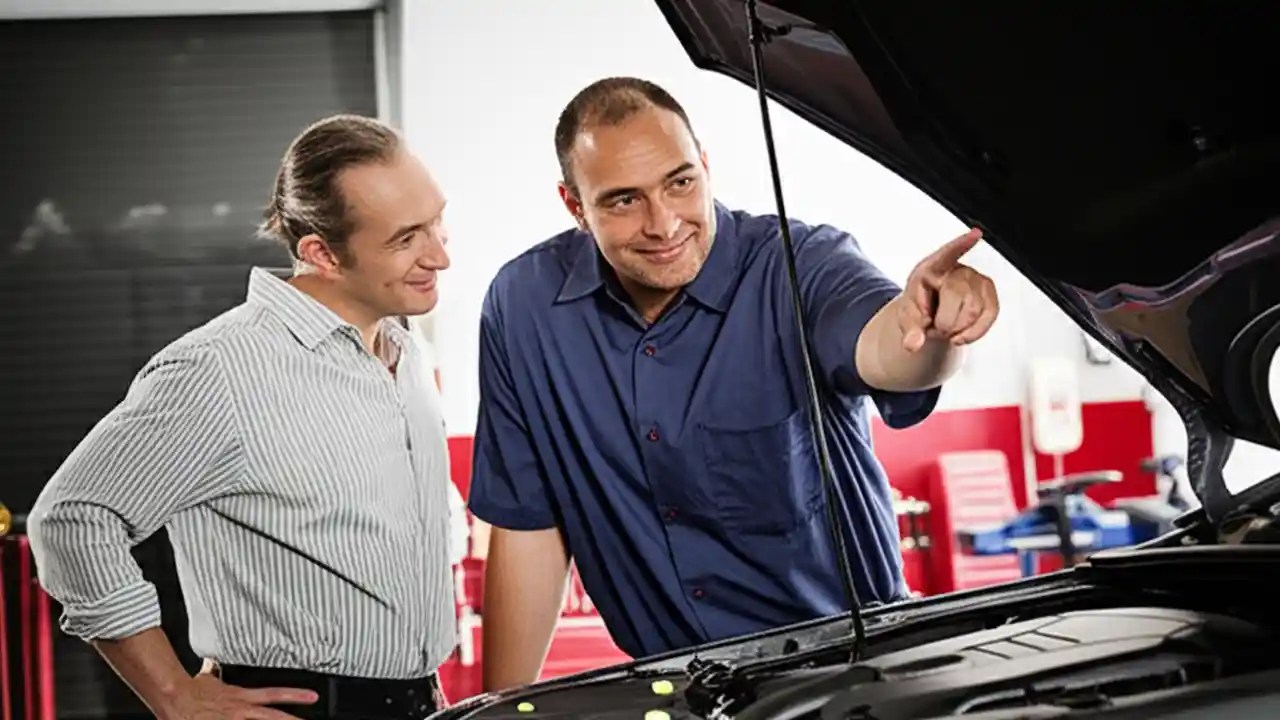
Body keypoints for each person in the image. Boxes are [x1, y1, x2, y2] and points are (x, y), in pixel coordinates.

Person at [468, 77, 1000, 690]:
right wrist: (499, 706)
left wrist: (932, 328)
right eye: (623, 201)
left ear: (705, 164)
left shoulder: (801, 264)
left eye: (680, 182)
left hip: (856, 677)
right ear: (574, 206)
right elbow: (528, 522)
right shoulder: (524, 307)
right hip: (678, 690)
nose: (664, 223)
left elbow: (888, 348)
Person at [28, 114, 456, 720]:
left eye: (437, 219)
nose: (439, 254)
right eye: (405, 238)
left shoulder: (404, 349)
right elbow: (72, 518)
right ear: (321, 254)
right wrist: (172, 694)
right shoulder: (220, 370)